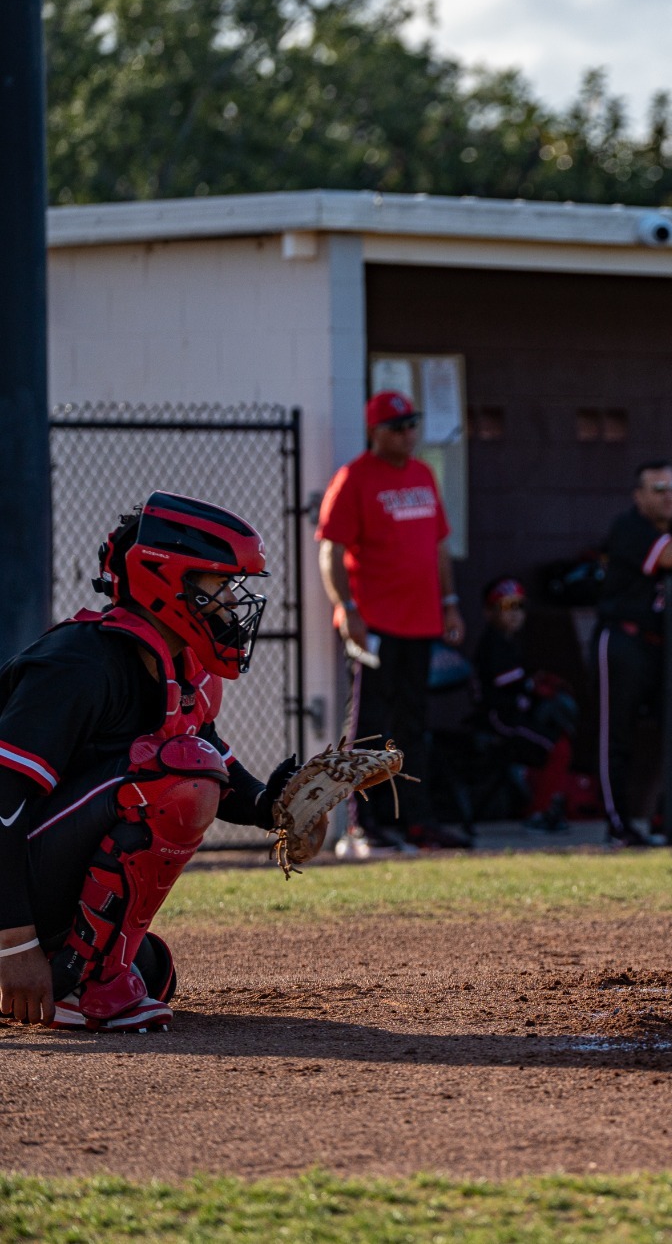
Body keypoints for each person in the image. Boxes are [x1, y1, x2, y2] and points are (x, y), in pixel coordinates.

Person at [0, 494, 300, 1031]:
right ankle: (77, 985)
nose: (233, 602)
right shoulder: (78, 664)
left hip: (32, 884)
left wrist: (272, 806)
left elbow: (214, 762)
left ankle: (87, 971)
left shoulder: (179, 665)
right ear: (167, 580)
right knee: (177, 773)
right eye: (218, 587)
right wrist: (14, 946)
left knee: (154, 971)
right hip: (8, 904)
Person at [316, 389, 467, 851]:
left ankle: (415, 822)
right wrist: (349, 611)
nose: (407, 434)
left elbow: (439, 544)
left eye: (411, 425)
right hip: (374, 624)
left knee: (413, 725)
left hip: (421, 622)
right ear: (375, 431)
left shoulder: (423, 474)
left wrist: (450, 602)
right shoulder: (355, 478)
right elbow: (331, 552)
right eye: (397, 427)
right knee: (368, 726)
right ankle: (363, 824)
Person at [593, 459, 672, 845]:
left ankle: (671, 816)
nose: (669, 496)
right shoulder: (629, 527)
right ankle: (618, 825)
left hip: (663, 648)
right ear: (639, 496)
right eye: (658, 489)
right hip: (622, 641)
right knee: (618, 734)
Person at [473, 577, 580, 831]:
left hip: (517, 715)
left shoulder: (513, 642)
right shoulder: (492, 642)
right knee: (557, 747)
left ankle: (543, 803)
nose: (514, 615)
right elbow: (506, 681)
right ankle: (537, 812)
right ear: (489, 613)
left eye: (518, 606)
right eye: (505, 607)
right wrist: (534, 685)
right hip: (500, 718)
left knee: (558, 739)